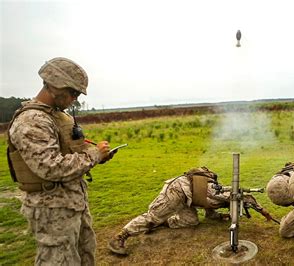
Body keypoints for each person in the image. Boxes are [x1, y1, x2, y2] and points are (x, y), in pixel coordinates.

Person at [6, 57, 112, 265]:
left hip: (72, 203)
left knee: (84, 255)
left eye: (78, 94)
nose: (75, 98)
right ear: (55, 85)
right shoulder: (31, 121)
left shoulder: (57, 117)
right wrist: (94, 155)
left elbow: (73, 151)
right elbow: (51, 167)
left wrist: (98, 155)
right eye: (73, 92)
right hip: (51, 209)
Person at [108, 166, 232, 255]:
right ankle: (120, 237)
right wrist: (233, 197)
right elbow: (219, 197)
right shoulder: (213, 189)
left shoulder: (208, 186)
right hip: (176, 191)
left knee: (191, 221)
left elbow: (208, 208)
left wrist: (218, 216)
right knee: (153, 217)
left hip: (186, 198)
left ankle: (163, 222)